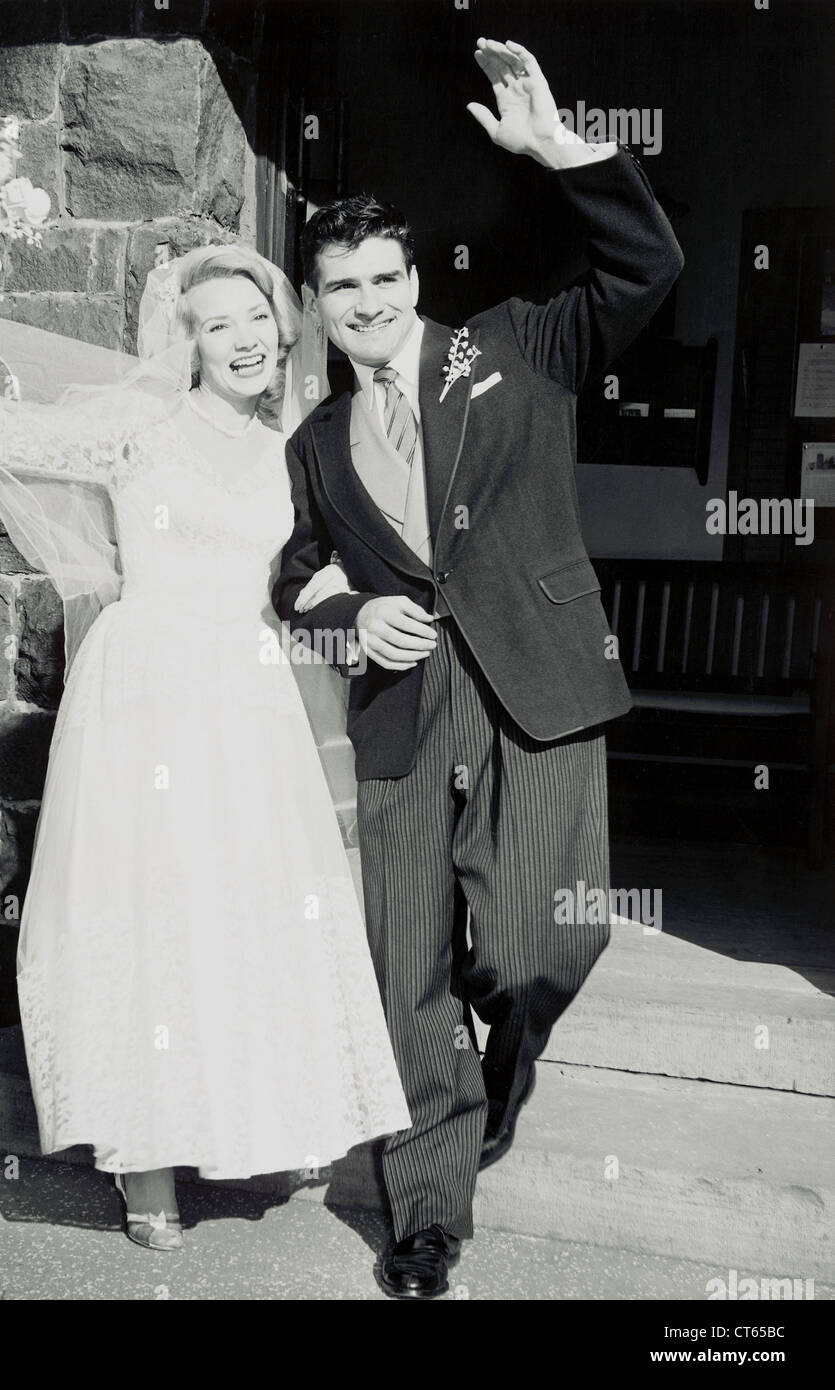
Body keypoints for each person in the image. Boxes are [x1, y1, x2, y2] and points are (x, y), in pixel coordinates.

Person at [0, 203, 411, 1253]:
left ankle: (247, 1117)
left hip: (249, 692)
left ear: (284, 329)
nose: (238, 337)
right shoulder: (138, 426)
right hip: (144, 693)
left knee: (242, 910)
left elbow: (313, 567)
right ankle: (145, 1170)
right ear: (177, 341)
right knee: (145, 917)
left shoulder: (294, 446)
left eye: (254, 317)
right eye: (211, 322)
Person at [273, 37, 684, 1297]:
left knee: (533, 953)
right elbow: (291, 573)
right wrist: (347, 615)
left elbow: (645, 267)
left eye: (384, 277)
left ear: (412, 278)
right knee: (406, 964)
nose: (368, 303)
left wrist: (563, 154)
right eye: (341, 288)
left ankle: (494, 1081)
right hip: (404, 708)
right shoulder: (317, 439)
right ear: (315, 304)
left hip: (540, 686)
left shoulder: (509, 349)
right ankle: (427, 1217)